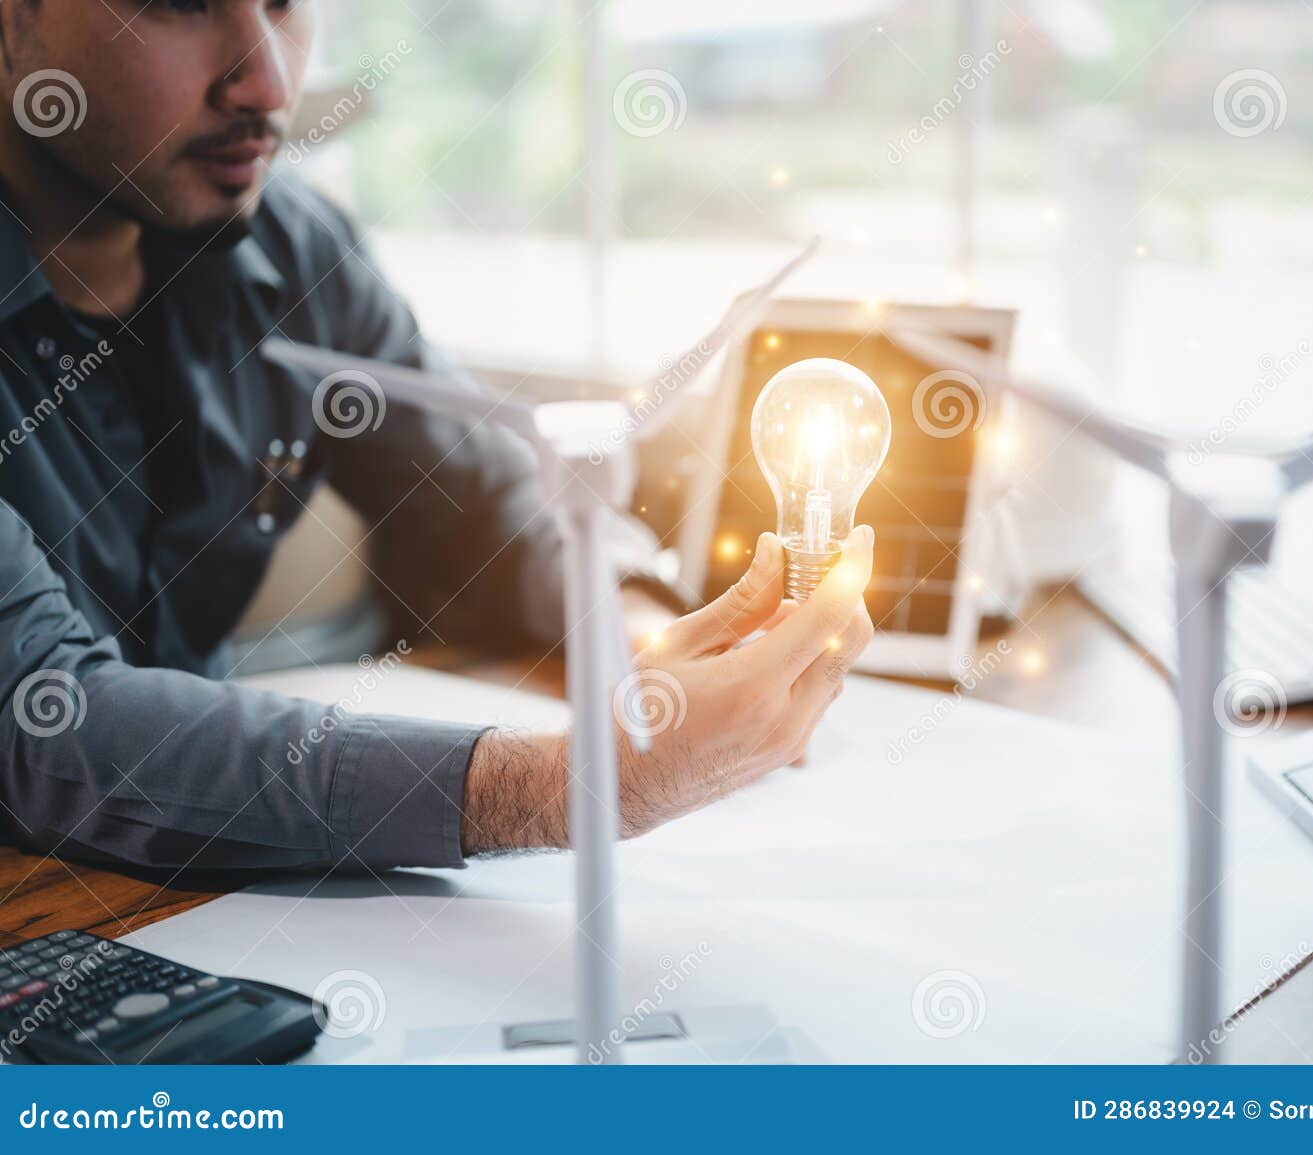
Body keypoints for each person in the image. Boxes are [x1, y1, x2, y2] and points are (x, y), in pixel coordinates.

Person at [0, 0, 874, 873]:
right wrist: (565, 783)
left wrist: (636, 632)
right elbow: (52, 725)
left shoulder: (292, 250)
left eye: (286, 4)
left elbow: (485, 491)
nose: (268, 82)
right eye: (180, 5)